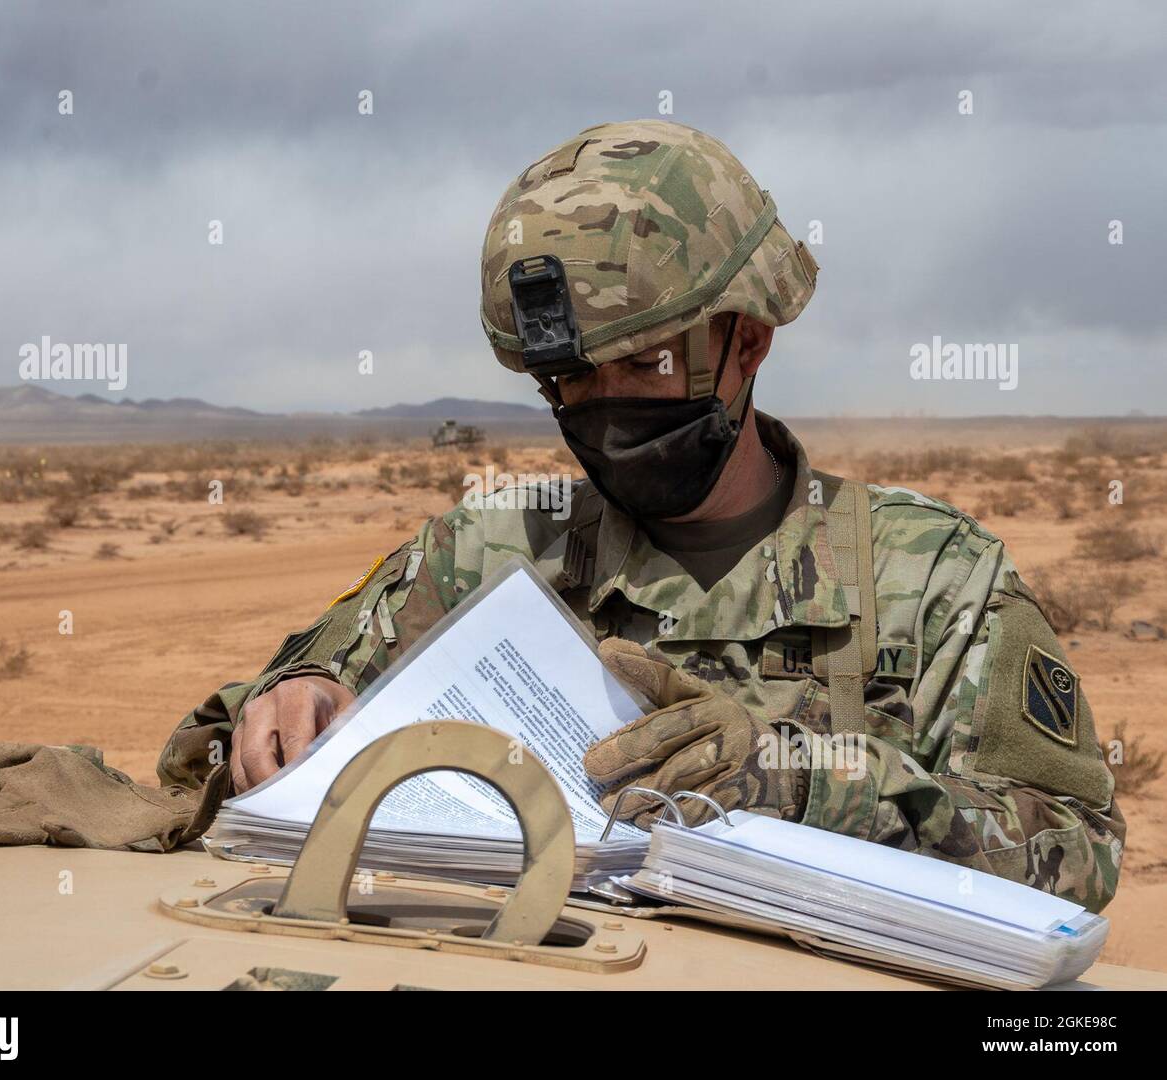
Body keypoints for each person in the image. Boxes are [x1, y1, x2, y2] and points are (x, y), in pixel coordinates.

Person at [159, 120, 1122, 911]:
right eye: (572, 378)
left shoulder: (937, 582)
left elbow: (1076, 856)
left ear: (746, 342)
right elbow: (227, 753)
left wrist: (805, 784)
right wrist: (293, 704)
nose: (605, 405)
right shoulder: (487, 549)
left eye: (645, 364)